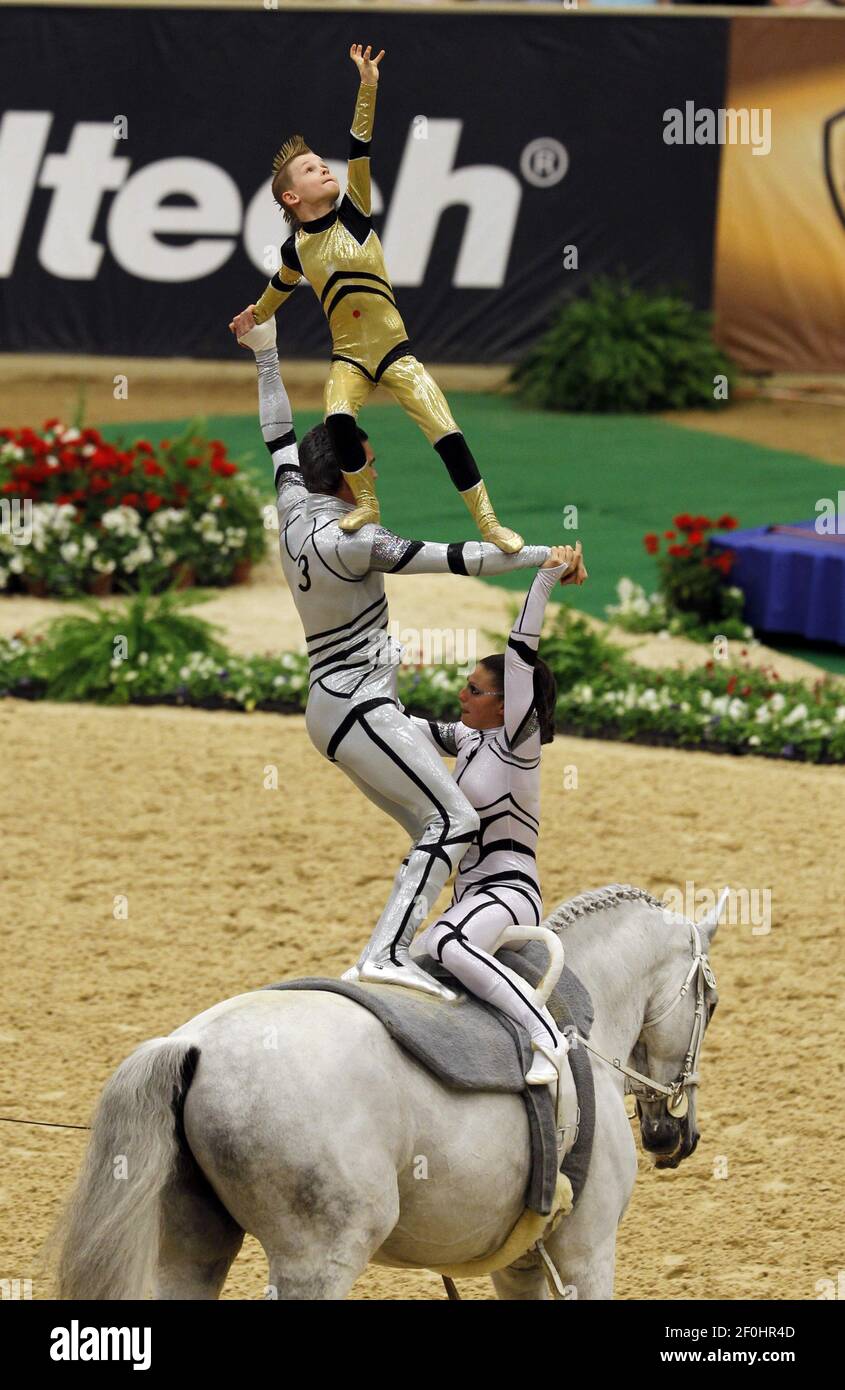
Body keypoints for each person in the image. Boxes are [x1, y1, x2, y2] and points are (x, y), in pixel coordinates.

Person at [235, 313, 563, 1005]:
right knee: (454, 822)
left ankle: (454, 935)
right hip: (361, 706)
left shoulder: (292, 501)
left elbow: (276, 434)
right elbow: (460, 560)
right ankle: (387, 953)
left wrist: (265, 353)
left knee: (433, 828)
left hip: (331, 708)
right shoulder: (356, 540)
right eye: (367, 465)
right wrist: (544, 558)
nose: (371, 473)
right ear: (347, 474)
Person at [229, 42, 522, 554]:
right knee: (338, 418)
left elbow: (359, 146)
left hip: (395, 352)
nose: (325, 170)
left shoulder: (355, 212)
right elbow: (281, 285)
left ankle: (489, 522)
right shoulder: (297, 246)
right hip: (349, 358)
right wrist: (256, 313)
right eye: (311, 169)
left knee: (444, 429)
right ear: (291, 199)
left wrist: (368, 86)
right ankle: (367, 503)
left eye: (323, 164)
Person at [347, 543, 588, 1085]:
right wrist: (369, 661)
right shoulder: (471, 739)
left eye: (475, 691)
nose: (462, 695)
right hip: (468, 896)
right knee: (426, 948)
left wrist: (545, 579)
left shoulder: (517, 746)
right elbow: (401, 724)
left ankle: (547, 1035)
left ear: (507, 705)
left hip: (509, 893)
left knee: (449, 944)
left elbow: (521, 650)